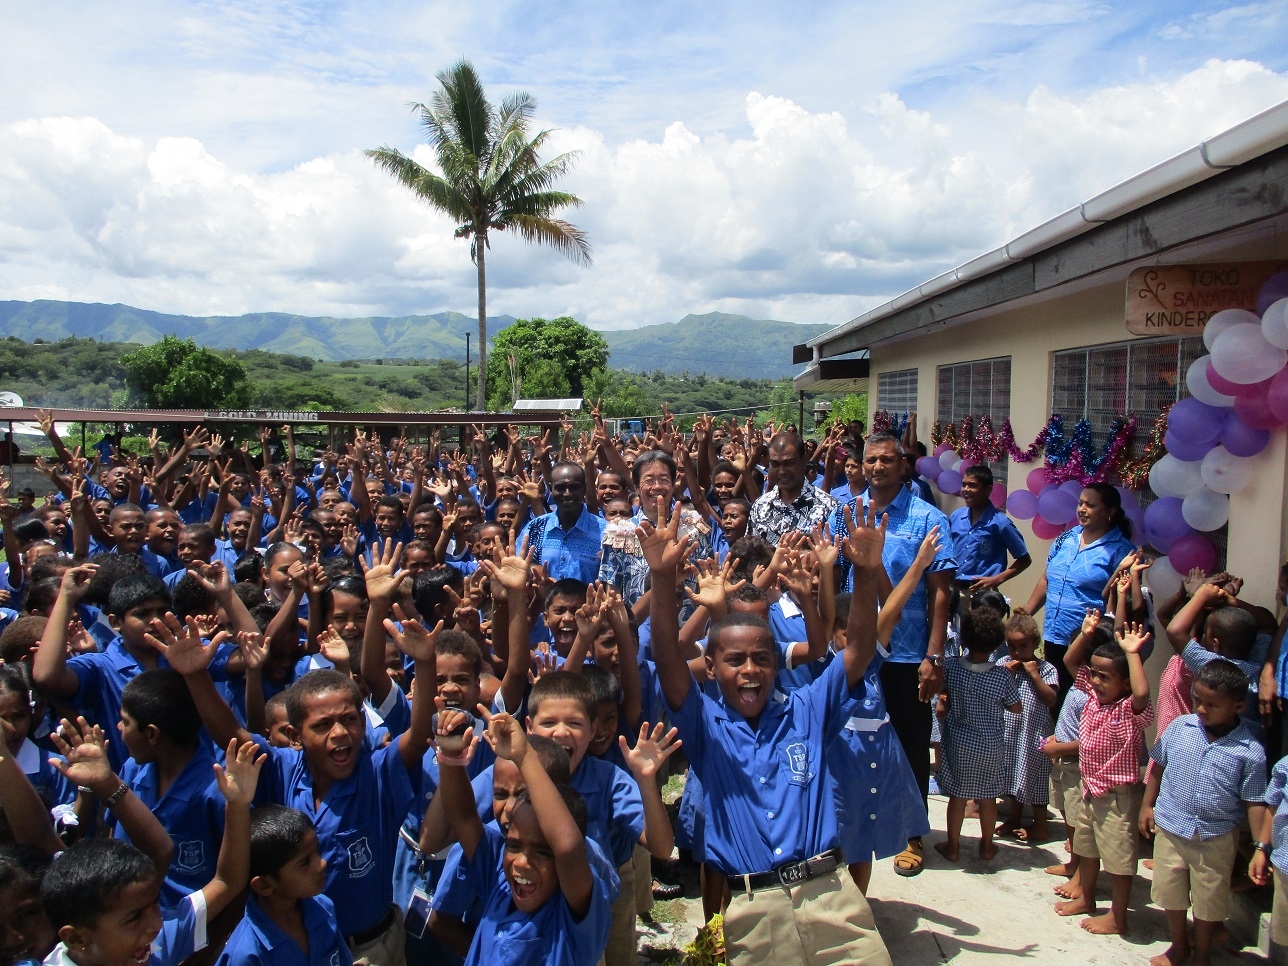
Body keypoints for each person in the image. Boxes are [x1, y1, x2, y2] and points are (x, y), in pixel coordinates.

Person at [645, 499, 892, 965]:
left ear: (777, 663)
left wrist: (863, 575)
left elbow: (857, 651)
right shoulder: (705, 727)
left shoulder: (809, 707)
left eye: (762, 658)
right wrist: (662, 580)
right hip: (754, 915)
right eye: (735, 661)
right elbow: (667, 659)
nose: (750, 670)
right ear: (711, 669)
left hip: (831, 898)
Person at [830, 431, 956, 877]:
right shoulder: (844, 514)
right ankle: (850, 828)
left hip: (906, 654)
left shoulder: (927, 520)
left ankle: (912, 834)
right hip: (857, 651)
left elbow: (942, 594)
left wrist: (933, 656)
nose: (878, 467)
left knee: (909, 743)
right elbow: (835, 576)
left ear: (903, 465)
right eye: (871, 460)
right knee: (849, 739)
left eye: (887, 460)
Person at [434, 708, 615, 965]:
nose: (520, 862)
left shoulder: (575, 917)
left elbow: (566, 846)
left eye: (542, 852)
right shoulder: (499, 879)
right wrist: (451, 755)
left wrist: (524, 755)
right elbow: (463, 816)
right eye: (513, 846)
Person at [1141, 660, 1267, 966]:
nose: (1201, 709)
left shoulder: (1250, 751)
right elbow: (1158, 765)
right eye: (1197, 700)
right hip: (1171, 825)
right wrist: (1147, 804)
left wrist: (1260, 847)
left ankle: (1202, 953)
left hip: (1216, 836)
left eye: (1212, 704)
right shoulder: (1179, 728)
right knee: (1170, 891)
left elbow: (1254, 801)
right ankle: (1178, 946)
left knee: (1209, 900)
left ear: (1238, 706)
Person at [1055, 619, 1153, 936]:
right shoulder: (1094, 696)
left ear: (1124, 683)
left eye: (1104, 677)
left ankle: (1118, 916)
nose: (1095, 680)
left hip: (1116, 798)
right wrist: (1084, 635)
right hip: (1090, 789)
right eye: (1094, 673)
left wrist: (1132, 653)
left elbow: (1141, 691)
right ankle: (1086, 896)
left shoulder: (1128, 708)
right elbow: (1070, 661)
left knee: (1119, 860)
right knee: (1086, 847)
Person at [1024, 483, 1136, 694]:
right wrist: (1026, 615)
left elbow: (1120, 598)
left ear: (1110, 511)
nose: (1082, 509)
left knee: (1081, 700)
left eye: (1090, 505)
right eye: (1080, 503)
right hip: (1053, 634)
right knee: (1055, 698)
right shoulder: (1066, 538)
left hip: (1087, 641)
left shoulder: (1121, 550)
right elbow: (1047, 579)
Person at [933, 605, 1021, 863]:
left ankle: (953, 846)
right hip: (990, 745)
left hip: (959, 743)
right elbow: (1016, 707)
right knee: (987, 797)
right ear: (997, 643)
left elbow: (941, 692)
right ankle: (987, 845)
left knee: (957, 797)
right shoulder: (1001, 676)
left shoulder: (952, 667)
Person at [214, 805, 350, 966]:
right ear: (264, 885)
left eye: (317, 851)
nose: (322, 863)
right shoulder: (245, 955)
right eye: (305, 862)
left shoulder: (323, 909)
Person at [997, 608, 1059, 843]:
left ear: (1034, 643)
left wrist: (1034, 675)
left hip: (1034, 736)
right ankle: (1014, 818)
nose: (1017, 652)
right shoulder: (1004, 664)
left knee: (1036, 780)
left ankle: (1041, 825)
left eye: (1023, 647)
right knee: (1014, 776)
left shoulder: (1046, 669)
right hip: (1011, 734)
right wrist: (1005, 674)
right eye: (1012, 646)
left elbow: (1051, 699)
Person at [947, 465, 1030, 617]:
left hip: (983, 595)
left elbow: (1024, 559)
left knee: (982, 637)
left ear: (988, 490)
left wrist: (996, 579)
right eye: (964, 484)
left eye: (972, 485)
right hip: (955, 590)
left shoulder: (1000, 523)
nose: (966, 489)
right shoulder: (956, 517)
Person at [517, 463, 605, 585]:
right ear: (551, 490)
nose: (567, 493)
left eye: (574, 487)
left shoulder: (604, 532)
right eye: (560, 487)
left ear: (584, 489)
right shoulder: (534, 529)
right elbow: (519, 570)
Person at [747, 431, 838, 547]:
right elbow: (752, 556)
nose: (782, 471)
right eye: (775, 464)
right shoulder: (759, 507)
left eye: (789, 463)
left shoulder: (829, 507)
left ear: (804, 460)